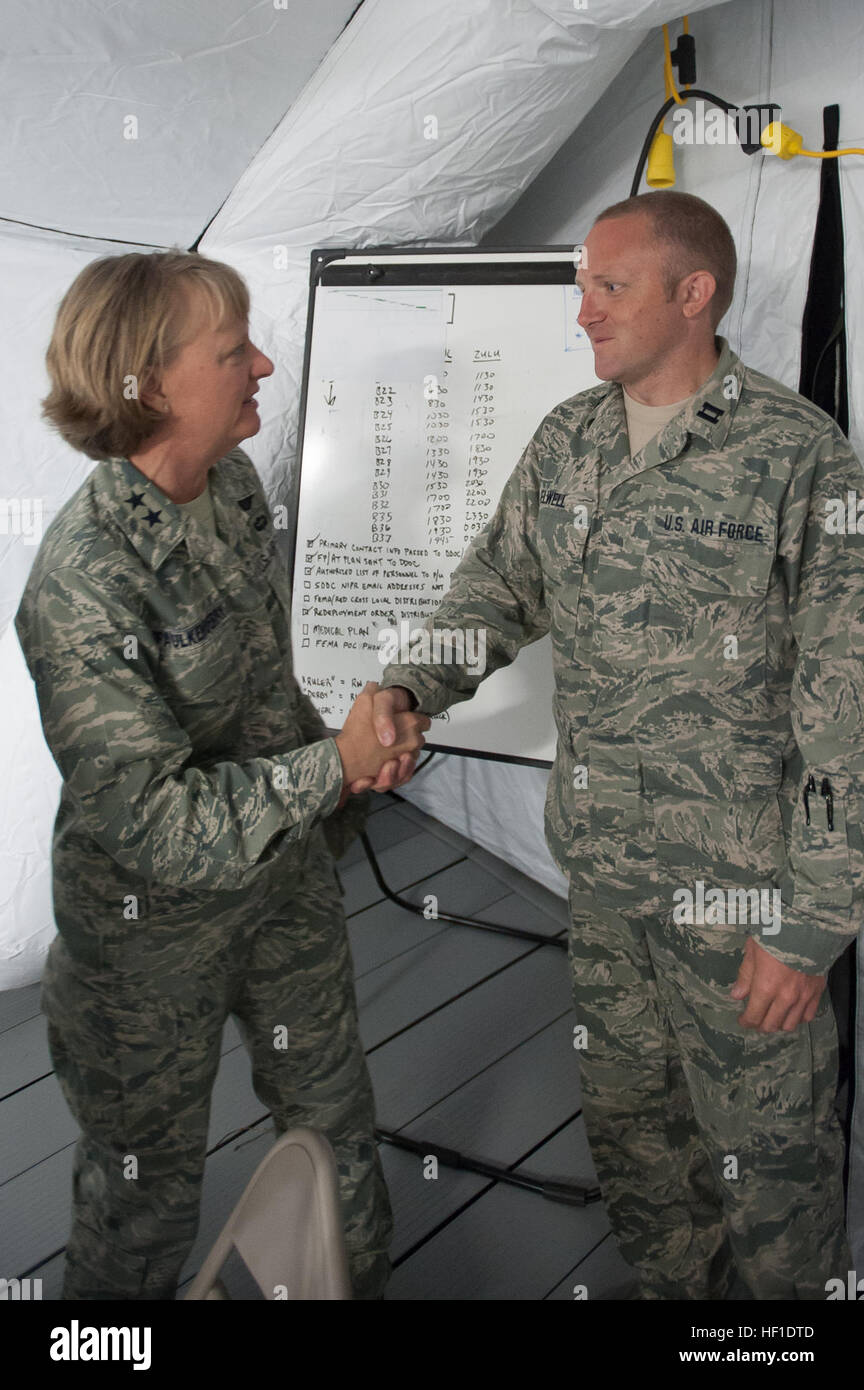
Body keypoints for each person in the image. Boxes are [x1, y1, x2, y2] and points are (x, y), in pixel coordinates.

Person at [363, 191, 864, 1299]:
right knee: (637, 1136)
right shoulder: (570, 442)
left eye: (610, 286)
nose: (582, 311)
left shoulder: (799, 459)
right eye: (582, 285)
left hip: (742, 905)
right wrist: (405, 683)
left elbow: (848, 705)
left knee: (775, 1165)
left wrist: (814, 922)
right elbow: (494, 590)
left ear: (696, 295)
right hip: (602, 877)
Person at [15, 250, 429, 1300]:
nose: (266, 364)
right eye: (233, 348)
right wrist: (327, 771)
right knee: (142, 1205)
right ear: (149, 384)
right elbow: (150, 820)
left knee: (336, 1126)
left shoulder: (231, 483)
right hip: (149, 941)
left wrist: (353, 757)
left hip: (280, 887)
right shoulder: (82, 581)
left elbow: (260, 687)